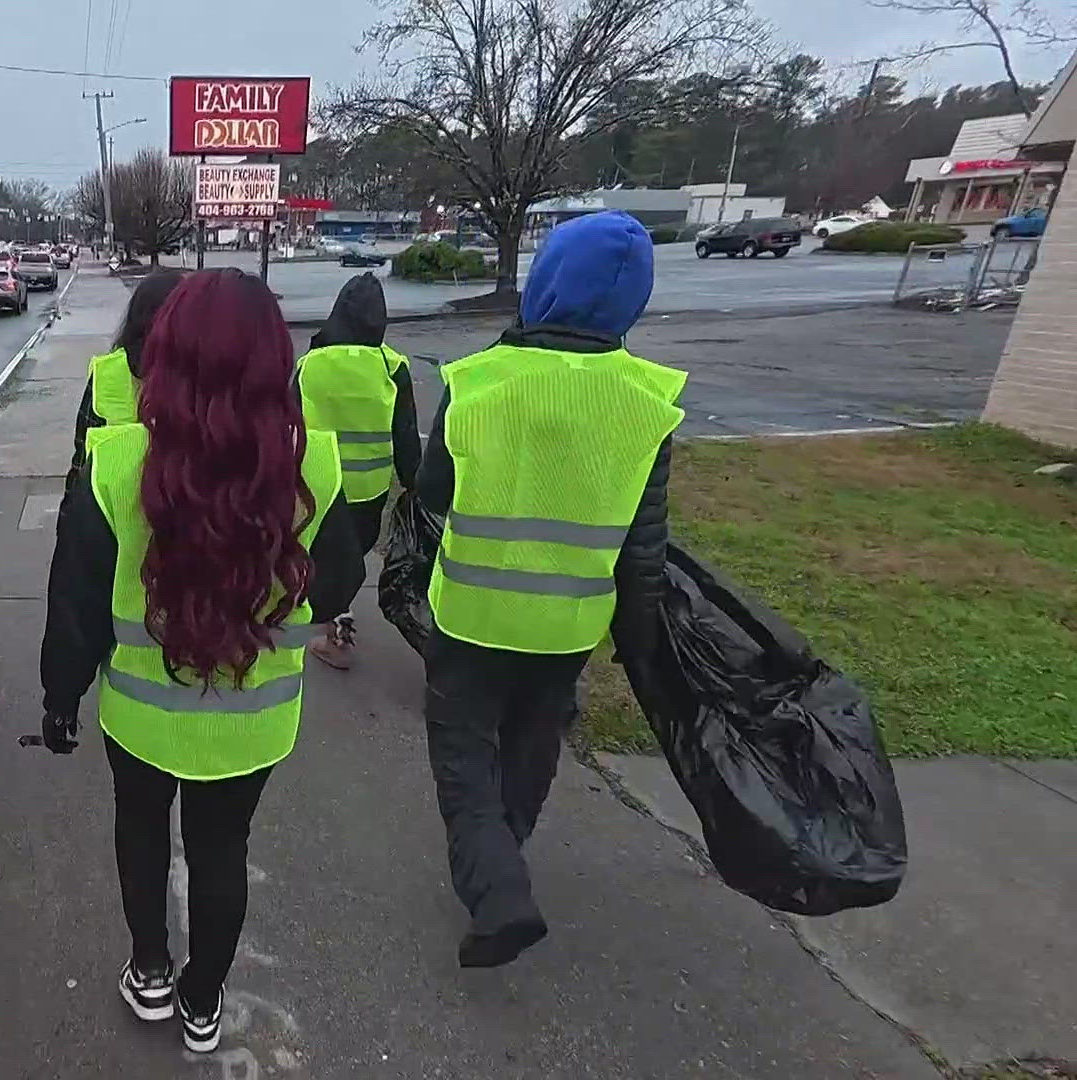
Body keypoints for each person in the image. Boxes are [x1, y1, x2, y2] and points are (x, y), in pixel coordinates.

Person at [38, 268, 363, 1053]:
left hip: (143, 715)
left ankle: (149, 969)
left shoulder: (115, 464)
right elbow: (345, 576)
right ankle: (203, 1001)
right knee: (223, 848)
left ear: (163, 357)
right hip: (251, 721)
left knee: (141, 829)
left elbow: (75, 606)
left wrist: (59, 701)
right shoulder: (310, 465)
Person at [418, 210, 685, 968]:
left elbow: (434, 492)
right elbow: (644, 543)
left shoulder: (477, 383)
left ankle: (499, 891)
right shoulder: (648, 402)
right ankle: (507, 851)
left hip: (472, 613)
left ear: (543, 286)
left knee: (464, 756)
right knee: (533, 744)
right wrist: (641, 644)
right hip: (568, 624)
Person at [294, 272, 421, 669]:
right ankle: (338, 628)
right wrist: (414, 487)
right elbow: (405, 434)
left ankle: (328, 627)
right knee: (352, 558)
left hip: (319, 490)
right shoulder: (391, 366)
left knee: (321, 558)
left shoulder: (309, 366)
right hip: (370, 493)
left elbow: (287, 428)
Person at [67, 269, 181, 487]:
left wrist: (70, 506)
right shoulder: (199, 375)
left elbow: (81, 456)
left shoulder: (108, 372)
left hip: (108, 507)